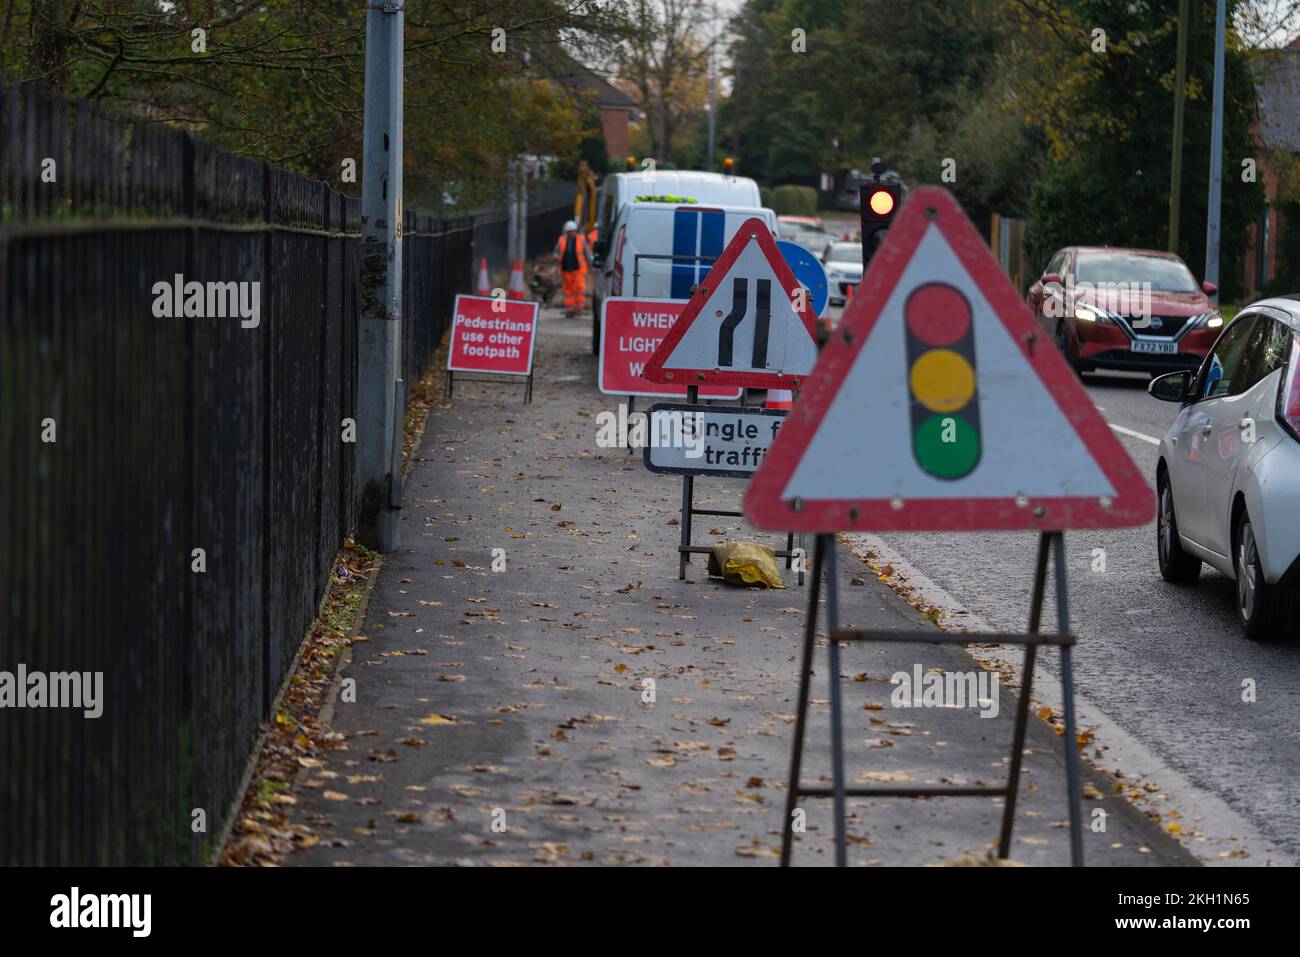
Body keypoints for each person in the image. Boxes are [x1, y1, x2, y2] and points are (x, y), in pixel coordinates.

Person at [555, 220, 588, 317]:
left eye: (573, 231)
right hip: (566, 270)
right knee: (568, 290)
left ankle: (579, 308)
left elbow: (587, 253)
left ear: (575, 231)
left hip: (578, 270)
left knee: (579, 289)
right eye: (569, 232)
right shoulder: (561, 240)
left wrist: (591, 266)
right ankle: (570, 309)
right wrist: (556, 257)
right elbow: (556, 252)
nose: (571, 233)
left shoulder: (581, 240)